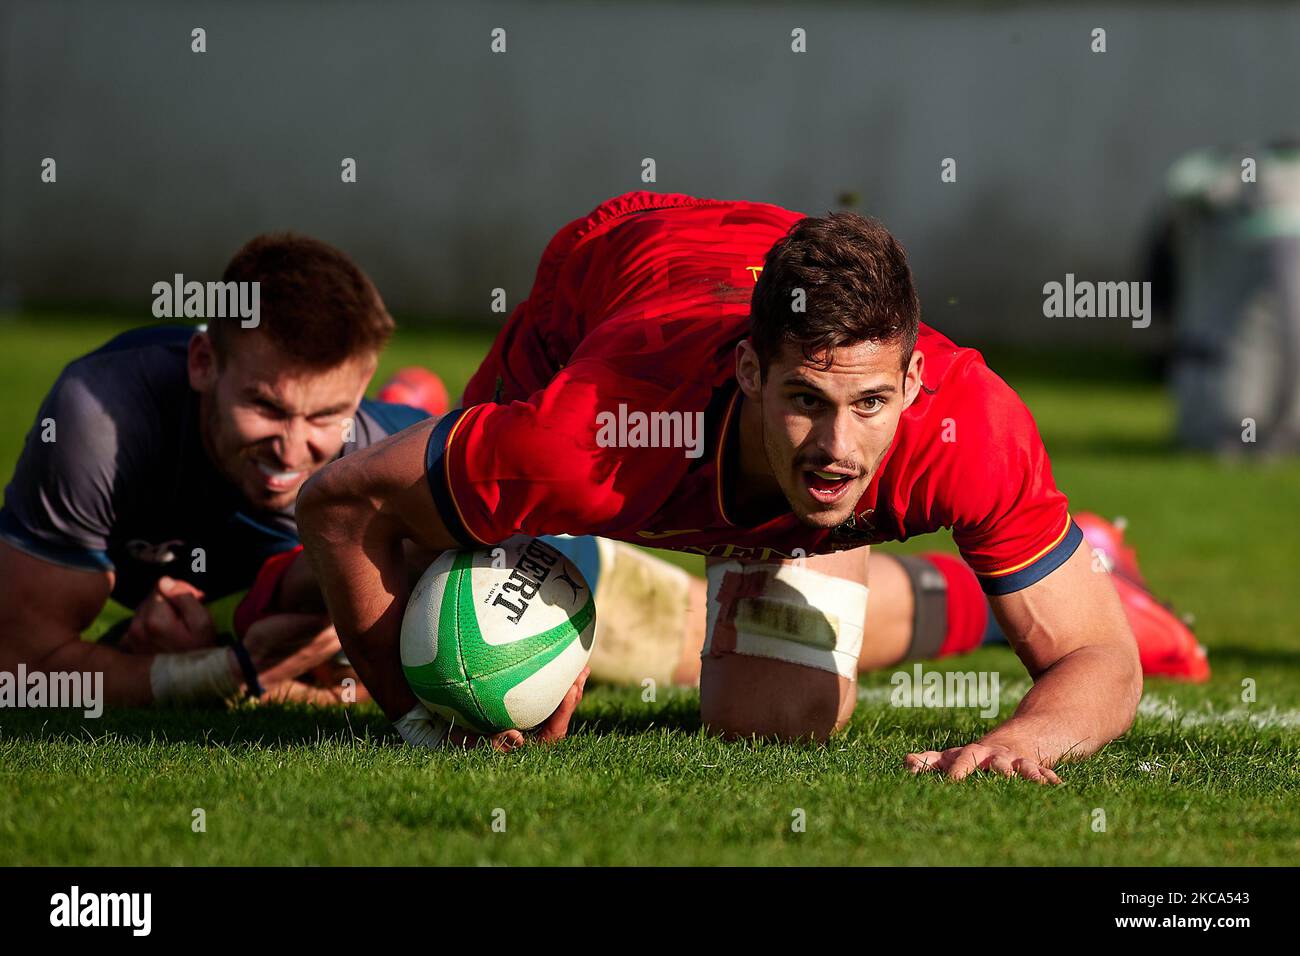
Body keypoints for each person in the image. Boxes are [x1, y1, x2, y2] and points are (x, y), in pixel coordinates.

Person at [298, 191, 1201, 782]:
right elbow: (342, 502)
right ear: (749, 372)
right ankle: (408, 416)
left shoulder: (973, 433)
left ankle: (1088, 564)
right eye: (805, 401)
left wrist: (1024, 740)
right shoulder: (587, 438)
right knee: (426, 556)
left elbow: (1100, 664)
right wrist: (415, 714)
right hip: (610, 275)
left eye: (873, 402)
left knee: (770, 726)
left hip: (753, 289)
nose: (839, 448)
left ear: (916, 384)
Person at [0, 234, 430, 706]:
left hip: (287, 564)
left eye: (324, 415)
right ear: (204, 362)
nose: (290, 450)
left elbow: (384, 684)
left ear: (360, 387)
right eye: (266, 406)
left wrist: (214, 665)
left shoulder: (390, 462)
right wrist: (231, 670)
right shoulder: (101, 417)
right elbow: (22, 670)